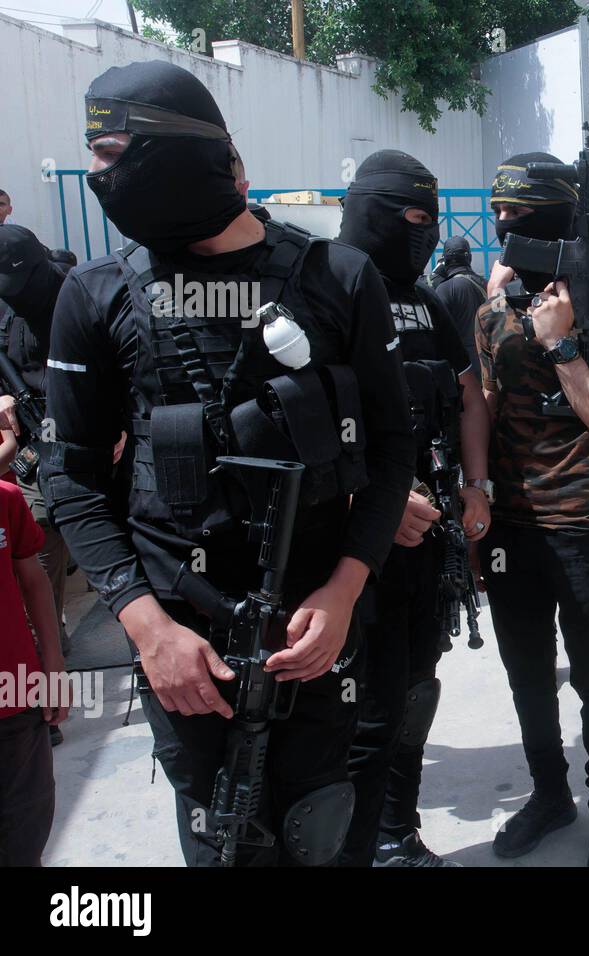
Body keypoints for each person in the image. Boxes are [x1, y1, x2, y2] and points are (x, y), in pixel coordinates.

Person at [42, 60, 415, 866]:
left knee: (323, 831)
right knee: (220, 838)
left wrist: (345, 589)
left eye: (109, 152)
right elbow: (70, 475)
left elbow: (391, 449)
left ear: (182, 153)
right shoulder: (96, 292)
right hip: (185, 646)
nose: (96, 176)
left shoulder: (339, 277)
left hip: (319, 627)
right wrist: (147, 630)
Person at [477, 153, 589, 866]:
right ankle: (551, 795)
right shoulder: (492, 308)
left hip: (581, 526)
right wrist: (474, 499)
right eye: (496, 213)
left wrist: (562, 345)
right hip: (509, 527)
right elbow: (481, 413)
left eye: (516, 213)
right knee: (526, 676)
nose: (502, 226)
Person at [335, 150, 491, 868]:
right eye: (412, 218)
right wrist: (374, 499)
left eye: (432, 221)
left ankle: (398, 829)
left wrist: (477, 485)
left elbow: (467, 395)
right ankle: (355, 843)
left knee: (415, 691)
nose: (425, 233)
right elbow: (292, 421)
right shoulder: (322, 285)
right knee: (360, 707)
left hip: (431, 537)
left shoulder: (427, 301)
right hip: (348, 544)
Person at [1, 227, 76, 668]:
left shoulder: (78, 294)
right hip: (35, 445)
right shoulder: (5, 308)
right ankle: (48, 651)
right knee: (39, 546)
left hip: (92, 439)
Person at [0, 479, 67, 865]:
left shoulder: (6, 500)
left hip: (15, 698)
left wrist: (54, 667)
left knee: (25, 831)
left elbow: (34, 582)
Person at [424, 235, 487, 369]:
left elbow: (438, 333)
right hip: (488, 364)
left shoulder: (446, 288)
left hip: (463, 368)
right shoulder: (487, 284)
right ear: (469, 258)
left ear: (445, 261)